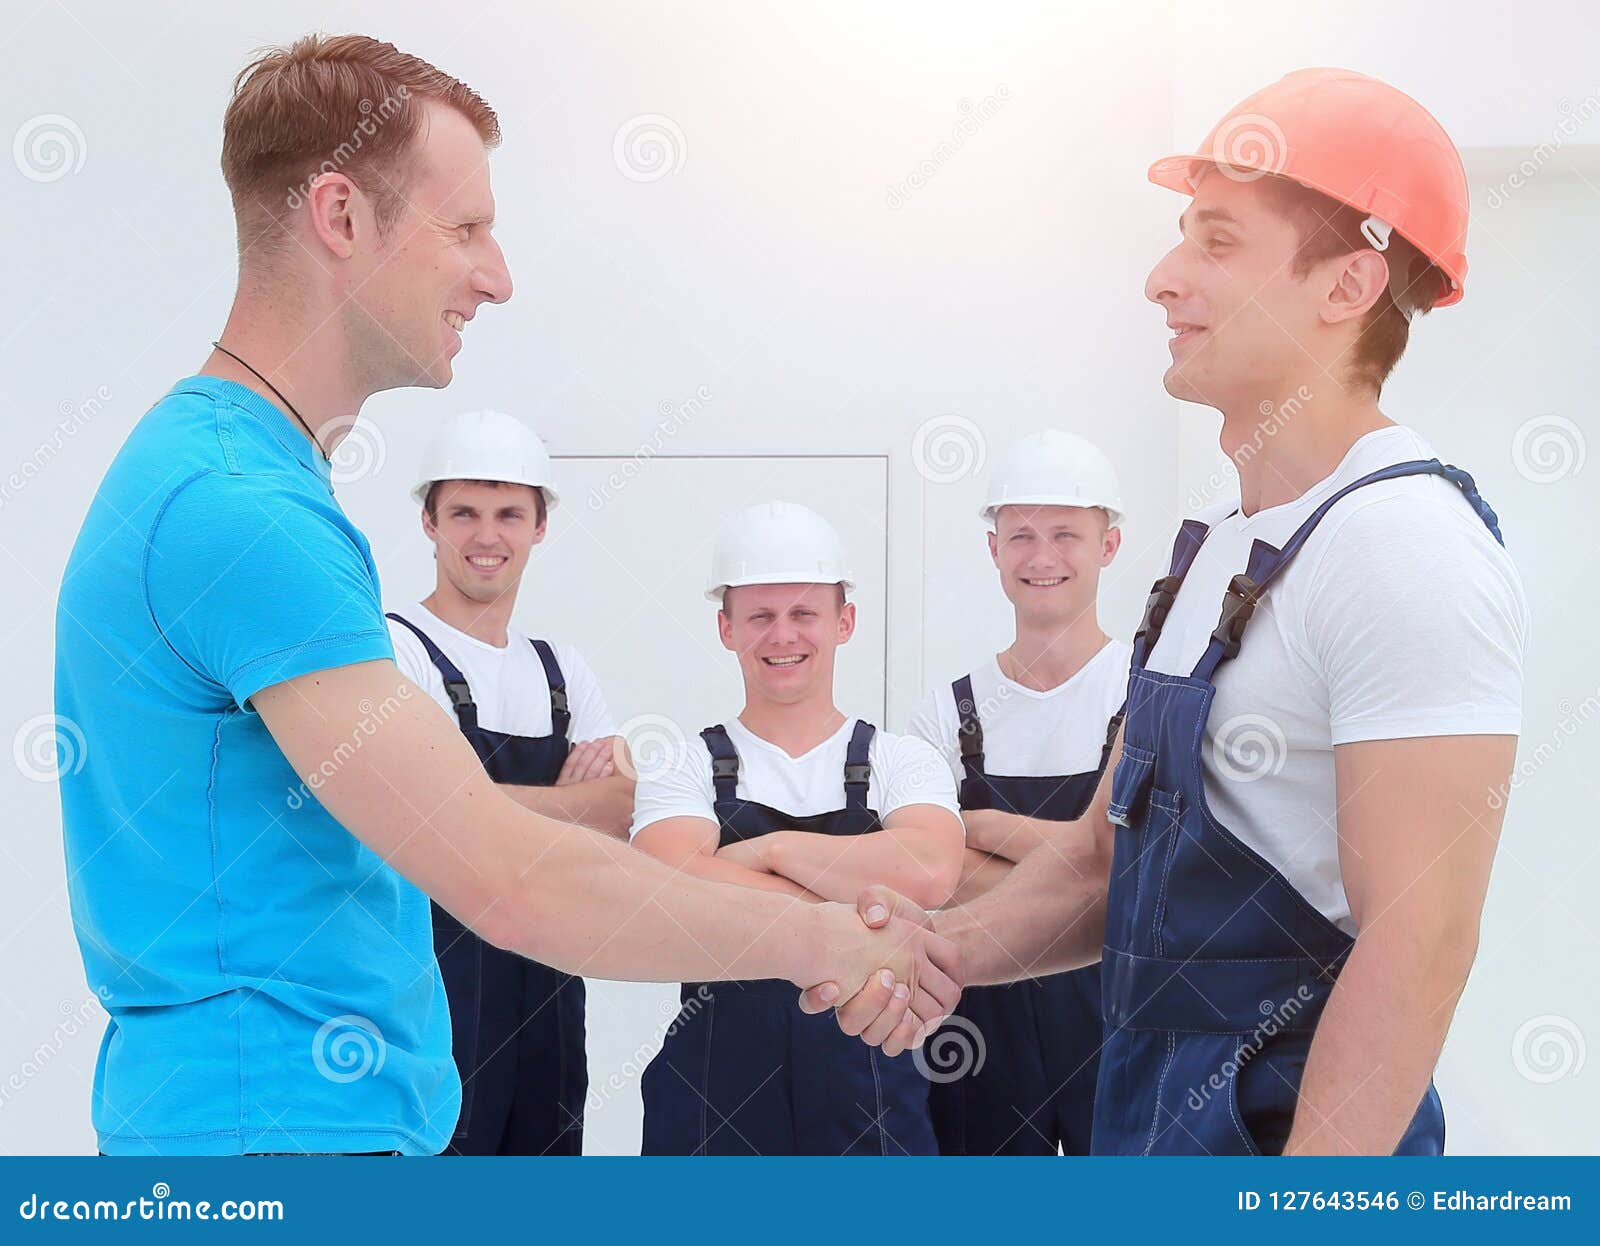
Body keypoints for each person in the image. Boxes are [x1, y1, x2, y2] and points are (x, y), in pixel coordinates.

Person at [54, 34, 954, 1157]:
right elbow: (510, 874)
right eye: (465, 228)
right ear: (341, 218)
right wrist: (822, 940)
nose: (497, 274)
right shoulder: (241, 511)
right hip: (277, 1143)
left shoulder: (240, 479)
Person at [810, 68, 1528, 1157]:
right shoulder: (1215, 540)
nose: (1160, 277)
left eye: (1216, 241)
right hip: (1143, 1119)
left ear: (1345, 285)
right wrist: (934, 954)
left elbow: (1420, 942)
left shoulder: (1401, 546)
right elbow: (1101, 865)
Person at [631, 502, 966, 1154]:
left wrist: (766, 852)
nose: (782, 636)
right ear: (726, 629)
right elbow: (664, 891)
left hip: (870, 1091)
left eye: (803, 614)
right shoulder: (681, 760)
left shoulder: (902, 760)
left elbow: (930, 871)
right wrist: (857, 898)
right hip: (710, 1094)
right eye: (760, 616)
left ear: (844, 622)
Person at [386, 409, 630, 1154]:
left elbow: (620, 809)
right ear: (429, 521)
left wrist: (465, 802)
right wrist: (565, 805)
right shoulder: (395, 645)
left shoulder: (562, 669)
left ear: (538, 527)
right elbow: (416, 814)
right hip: (435, 984)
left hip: (552, 981)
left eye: (507, 514)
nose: (486, 536)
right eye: (463, 512)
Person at [906, 430, 1130, 1155]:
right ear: (993, 548)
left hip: (1118, 1023)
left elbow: (1144, 871)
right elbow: (928, 872)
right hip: (977, 1033)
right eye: (1021, 535)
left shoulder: (1150, 696)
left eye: (1066, 534)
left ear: (1109, 545)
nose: (1041, 556)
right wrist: (1085, 860)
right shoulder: (945, 713)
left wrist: (981, 827)